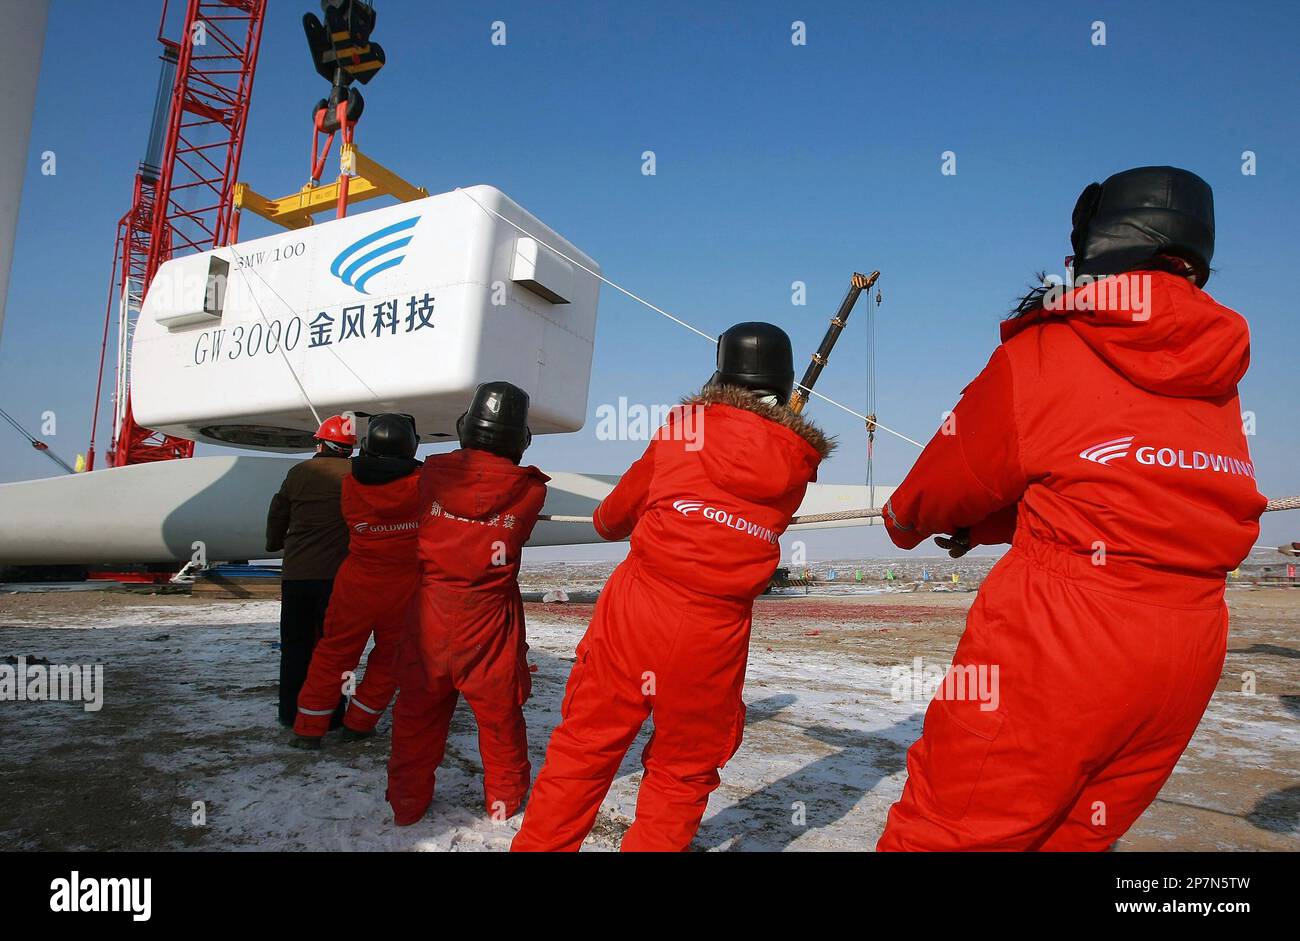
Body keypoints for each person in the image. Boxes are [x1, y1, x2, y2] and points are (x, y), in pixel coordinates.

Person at [875, 166, 1266, 851]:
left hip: (1060, 639)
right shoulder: (1218, 375)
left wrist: (909, 522)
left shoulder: (1052, 347)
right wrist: (998, 521)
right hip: (1188, 649)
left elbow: (937, 488)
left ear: (1096, 245)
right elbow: (1128, 493)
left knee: (946, 833)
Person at [512, 322, 833, 852]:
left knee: (586, 749)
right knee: (683, 769)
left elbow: (613, 519)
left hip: (639, 610)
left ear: (719, 376)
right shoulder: (795, 463)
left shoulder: (683, 430)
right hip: (716, 633)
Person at [386, 382, 549, 825]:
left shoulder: (431, 476)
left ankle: (406, 804)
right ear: (521, 438)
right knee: (499, 717)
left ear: (465, 428)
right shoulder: (531, 490)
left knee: (417, 713)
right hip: (490, 620)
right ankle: (505, 799)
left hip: (430, 615)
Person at [291, 413, 423, 748]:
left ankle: (309, 728)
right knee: (390, 658)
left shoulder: (351, 483)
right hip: (405, 587)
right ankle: (360, 723)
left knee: (333, 654)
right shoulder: (423, 483)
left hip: (357, 583)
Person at [266, 415, 355, 728]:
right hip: (338, 579)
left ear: (320, 442)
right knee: (333, 649)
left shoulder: (298, 473)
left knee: (294, 647)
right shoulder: (357, 475)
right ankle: (333, 715)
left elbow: (278, 514)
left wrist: (273, 544)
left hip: (297, 576)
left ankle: (290, 712)